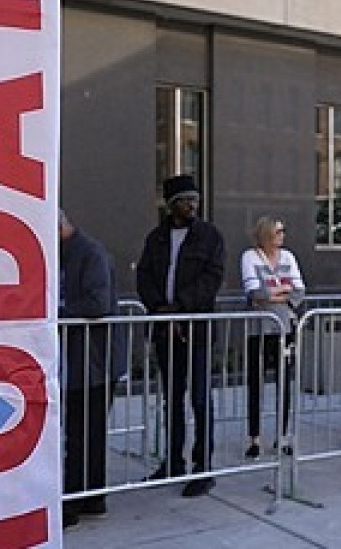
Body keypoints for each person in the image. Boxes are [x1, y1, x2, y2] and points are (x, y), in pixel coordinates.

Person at [135, 175, 225, 498]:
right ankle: (173, 460)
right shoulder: (156, 238)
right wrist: (160, 309)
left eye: (195, 200)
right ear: (172, 204)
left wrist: (180, 307)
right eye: (186, 200)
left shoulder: (209, 236)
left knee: (200, 399)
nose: (193, 205)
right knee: (171, 399)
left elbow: (212, 279)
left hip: (195, 330)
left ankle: (204, 467)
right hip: (165, 330)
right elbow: (143, 276)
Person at [59, 210, 124, 527]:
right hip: (83, 359)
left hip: (94, 360)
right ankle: (90, 497)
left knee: (83, 434)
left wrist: (58, 313)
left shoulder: (90, 254)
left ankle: (77, 501)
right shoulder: (74, 252)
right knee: (84, 433)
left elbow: (98, 304)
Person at [240, 216, 305, 459]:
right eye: (278, 231)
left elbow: (299, 291)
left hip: (283, 326)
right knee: (255, 382)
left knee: (284, 382)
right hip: (258, 327)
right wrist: (280, 292)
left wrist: (272, 294)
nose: (282, 235)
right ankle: (254, 438)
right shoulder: (250, 256)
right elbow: (255, 292)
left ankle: (283, 435)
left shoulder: (288, 257)